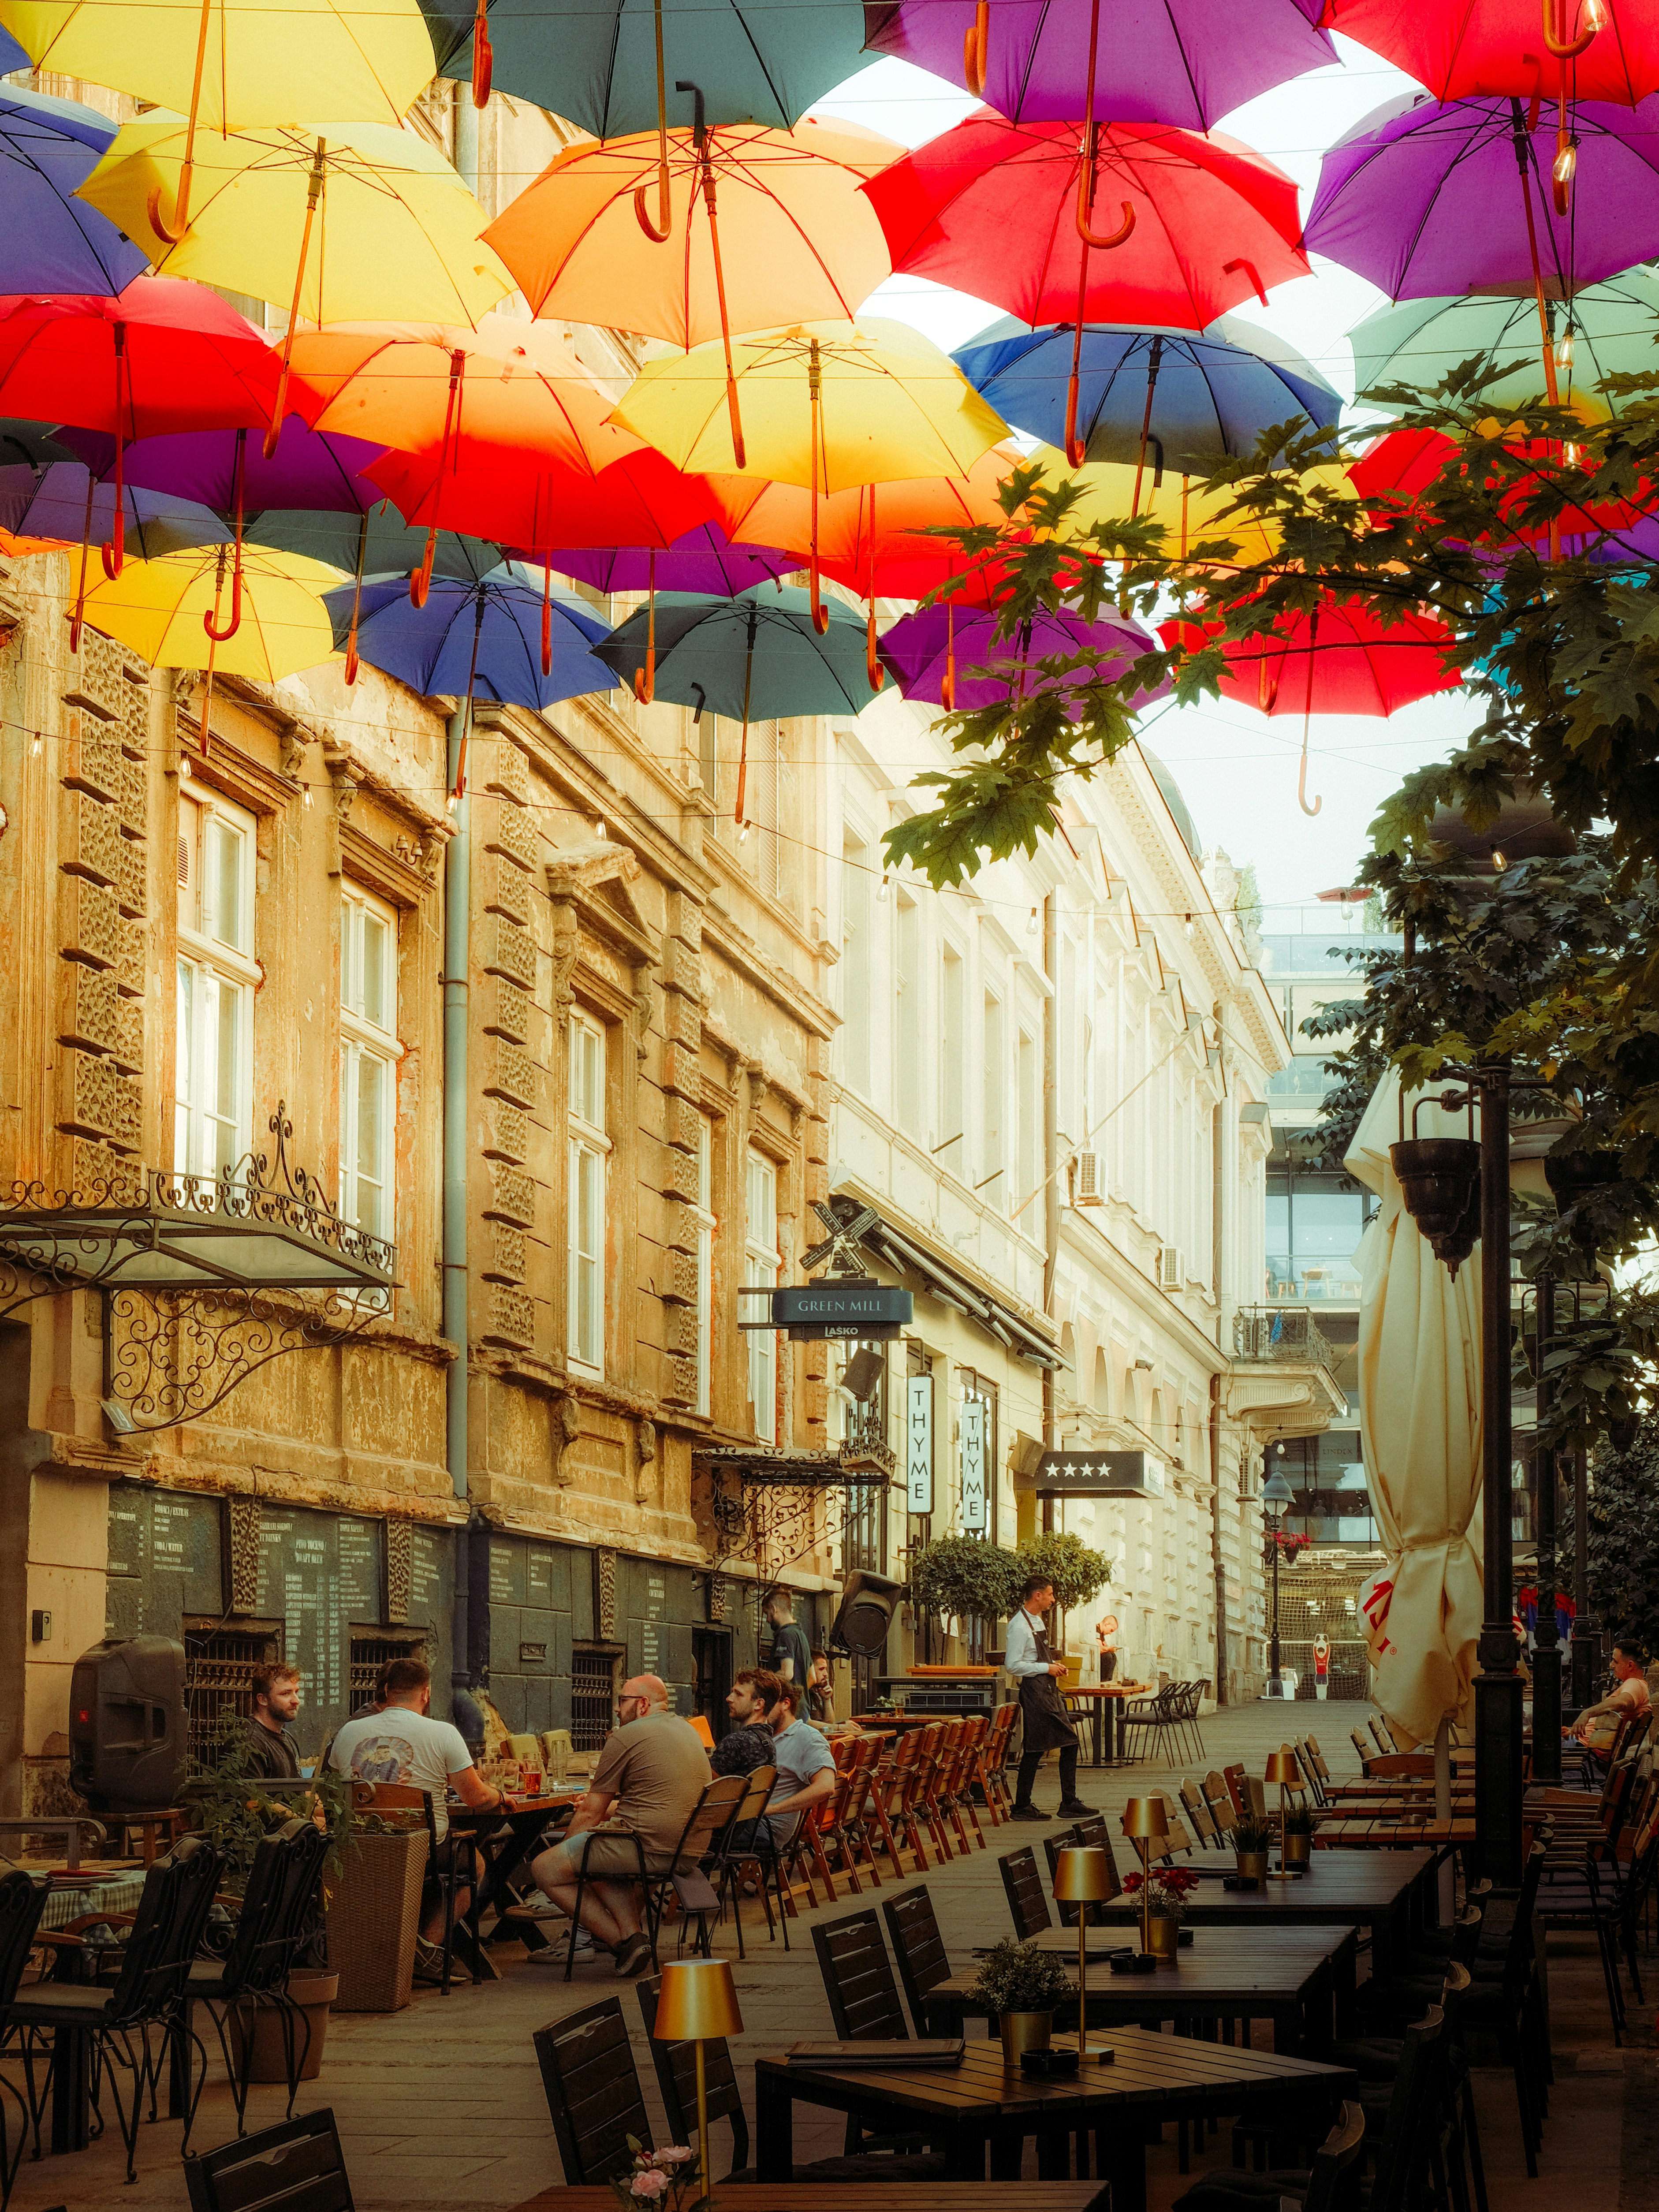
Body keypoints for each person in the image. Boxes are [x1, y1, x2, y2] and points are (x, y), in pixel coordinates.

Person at [329, 1657, 515, 1984]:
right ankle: (425, 1948)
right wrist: (500, 1796)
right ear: (426, 1693)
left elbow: (333, 1792)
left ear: (386, 1691)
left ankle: (406, 1948)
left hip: (361, 1848)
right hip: (423, 1851)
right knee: (474, 1863)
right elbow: (476, 1798)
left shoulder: (348, 1732)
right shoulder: (442, 1733)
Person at [527, 1674, 712, 1978]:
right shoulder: (686, 1728)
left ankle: (621, 1940)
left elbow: (590, 1812)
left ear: (642, 1705)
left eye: (622, 1700)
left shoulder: (627, 1735)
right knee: (596, 1849)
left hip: (647, 1846)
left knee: (547, 1867)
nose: (616, 1708)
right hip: (689, 1849)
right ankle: (632, 1936)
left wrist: (562, 1856)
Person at [1006, 1574, 1094, 1822]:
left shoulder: (1035, 1620)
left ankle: (1025, 1805)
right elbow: (1013, 1665)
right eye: (1051, 1594)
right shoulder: (1019, 1625)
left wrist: (1053, 1665)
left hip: (1046, 1689)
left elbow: (1034, 1658)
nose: (1053, 1599)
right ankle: (1064, 1803)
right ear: (1038, 1595)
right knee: (1063, 1743)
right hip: (1035, 1693)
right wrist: (1047, 1668)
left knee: (1038, 1749)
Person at [763, 1679, 838, 1847]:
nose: (760, 1709)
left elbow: (826, 1787)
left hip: (767, 1826)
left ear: (785, 1704)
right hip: (748, 1819)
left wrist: (773, 1808)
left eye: (766, 1703)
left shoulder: (806, 1738)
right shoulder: (761, 1735)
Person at [1565, 1642, 1652, 1756]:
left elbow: (1623, 1702)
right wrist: (1573, 1732)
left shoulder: (1634, 1684)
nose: (1611, 1665)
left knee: (1541, 1747)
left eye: (1615, 1661)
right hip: (1586, 1748)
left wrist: (1587, 1713)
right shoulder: (1637, 1685)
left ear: (1630, 1666)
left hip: (1586, 1753)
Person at [238, 1663, 304, 1781]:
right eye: (286, 1694)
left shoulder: (288, 1737)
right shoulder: (250, 1742)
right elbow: (252, 1798)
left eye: (296, 1692)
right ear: (263, 1700)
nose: (296, 1701)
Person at [712, 1669, 782, 1777]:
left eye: (738, 1694)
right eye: (732, 1692)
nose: (729, 1699)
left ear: (759, 1704)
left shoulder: (737, 1742)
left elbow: (704, 1781)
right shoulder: (768, 1744)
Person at [764, 1588, 813, 1688]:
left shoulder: (785, 1634)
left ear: (773, 1610)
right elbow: (812, 1677)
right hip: (800, 1703)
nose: (767, 1620)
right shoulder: (801, 1635)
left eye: (767, 1614)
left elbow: (787, 1674)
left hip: (788, 1703)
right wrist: (798, 1697)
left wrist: (763, 1680)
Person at [807, 1651, 835, 1725]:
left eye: (826, 1669)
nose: (826, 1674)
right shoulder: (802, 1694)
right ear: (810, 1670)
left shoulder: (817, 1692)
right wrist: (840, 1727)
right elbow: (806, 1723)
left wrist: (827, 1700)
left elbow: (829, 1724)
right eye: (821, 1669)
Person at [1094, 1614, 1119, 1684]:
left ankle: (1108, 1680)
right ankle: (1104, 1681)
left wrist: (1110, 1649)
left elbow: (1106, 1646)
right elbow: (1101, 1649)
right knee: (1108, 1656)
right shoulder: (1096, 1630)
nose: (1110, 1633)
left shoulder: (1102, 1634)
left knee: (1112, 1656)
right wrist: (1109, 1649)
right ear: (1107, 1624)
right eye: (1111, 1630)